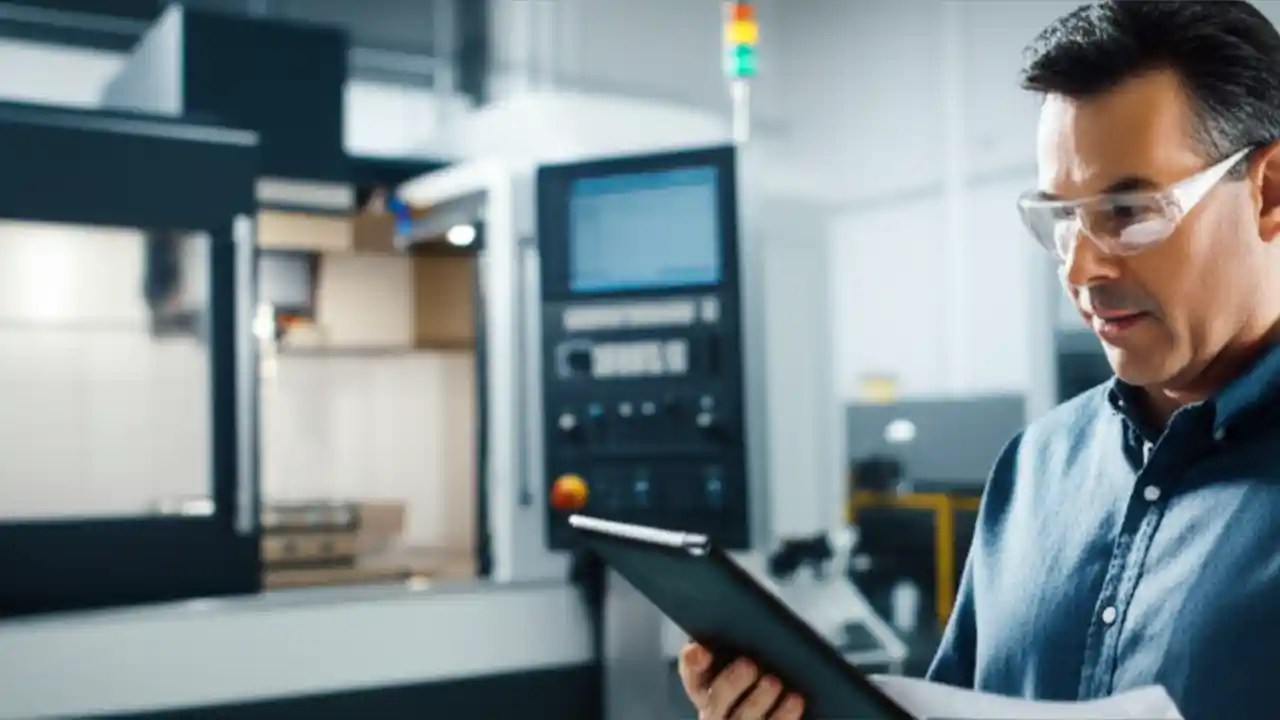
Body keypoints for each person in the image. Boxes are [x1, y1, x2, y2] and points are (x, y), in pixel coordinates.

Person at [677, 2, 1280, 718]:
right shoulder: (1035, 471)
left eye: (1128, 211)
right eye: (1061, 218)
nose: (1080, 267)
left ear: (1269, 192)